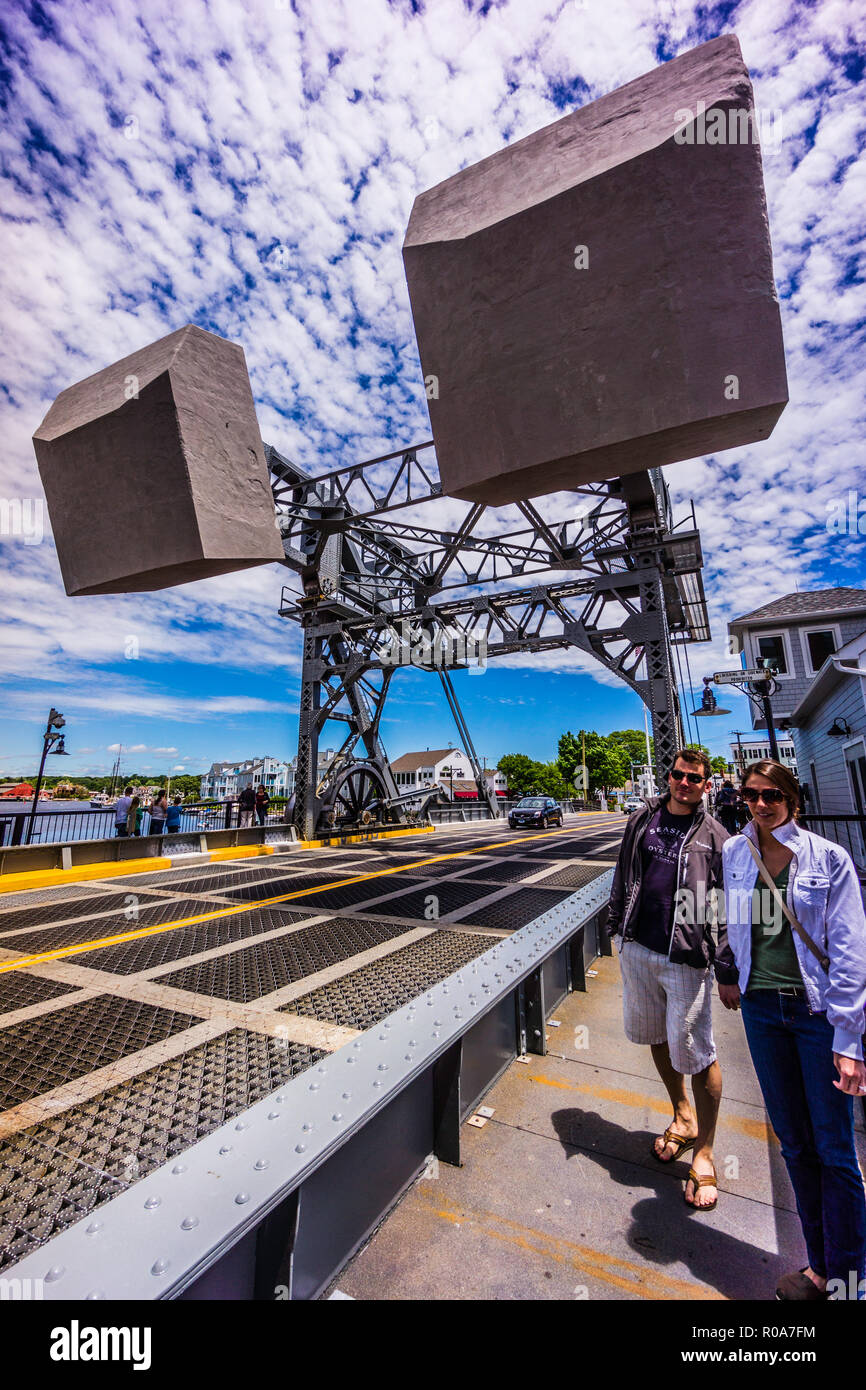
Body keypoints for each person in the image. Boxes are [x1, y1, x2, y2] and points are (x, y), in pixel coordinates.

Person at [720, 759, 866, 1301]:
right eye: (752, 795)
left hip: (815, 1017)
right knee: (796, 1147)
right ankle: (820, 1268)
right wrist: (726, 972)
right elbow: (732, 922)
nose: (761, 804)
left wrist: (851, 1040)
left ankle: (852, 1280)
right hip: (762, 1012)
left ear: (792, 799)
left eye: (772, 794)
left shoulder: (830, 859)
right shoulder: (736, 853)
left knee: (834, 1150)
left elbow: (850, 953)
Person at [606, 747, 732, 1210]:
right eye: (678, 775)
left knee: (698, 1054)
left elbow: (722, 905)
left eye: (693, 778)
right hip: (638, 948)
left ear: (706, 784)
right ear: (669, 777)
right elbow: (623, 874)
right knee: (655, 1036)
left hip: (685, 958)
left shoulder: (718, 837)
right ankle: (683, 1117)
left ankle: (704, 1153)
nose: (683, 783)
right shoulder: (641, 821)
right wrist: (614, 925)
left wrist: (725, 964)